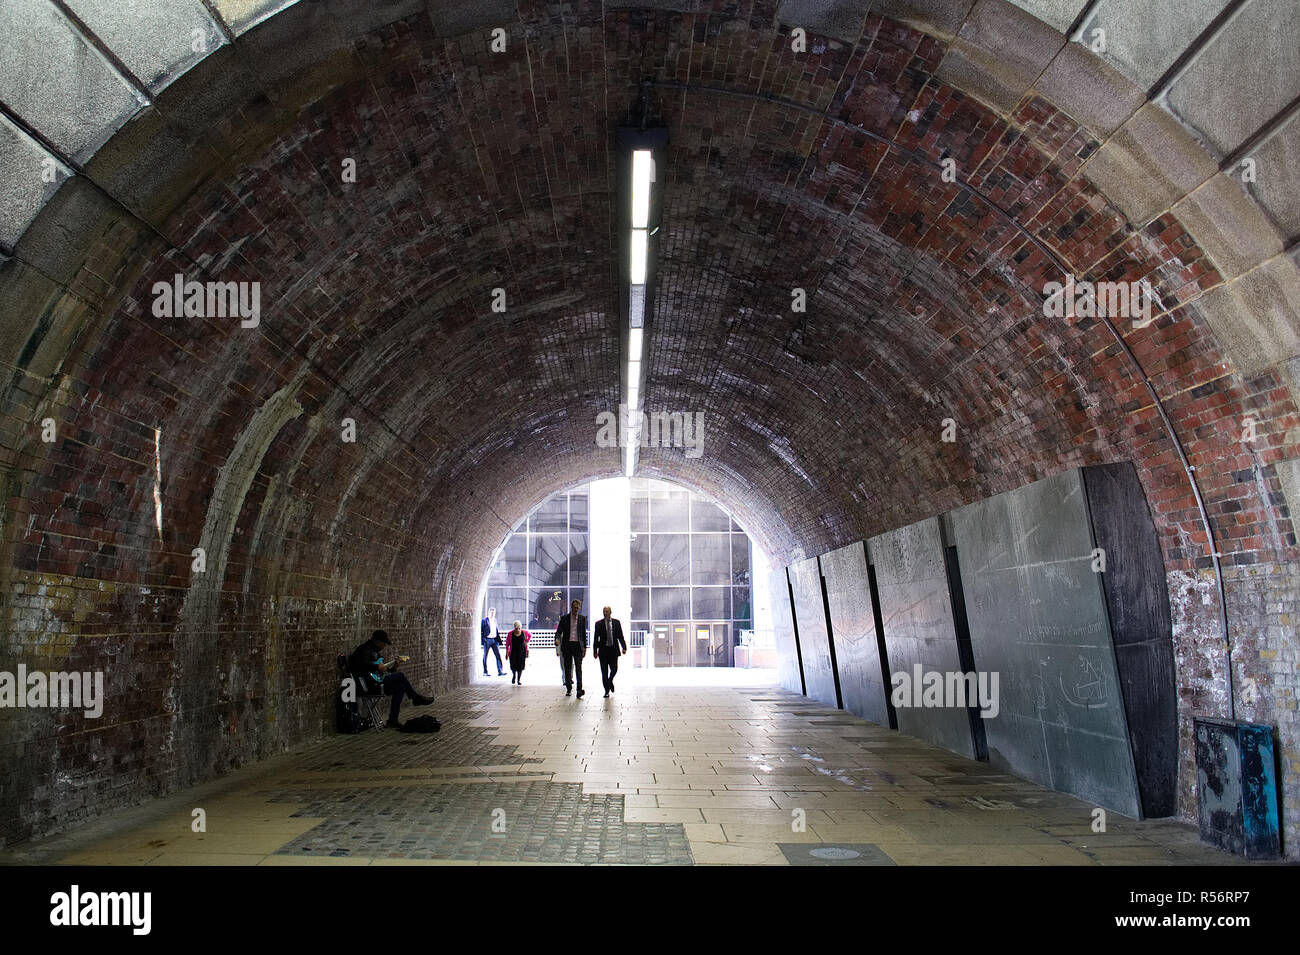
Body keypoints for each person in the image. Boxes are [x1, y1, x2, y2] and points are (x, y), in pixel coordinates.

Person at [348, 629, 434, 728]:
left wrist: (394, 667)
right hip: (368, 684)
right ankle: (415, 698)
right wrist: (377, 667)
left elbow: (384, 673)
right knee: (400, 676)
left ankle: (393, 720)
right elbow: (361, 664)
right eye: (384, 644)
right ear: (377, 641)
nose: (384, 646)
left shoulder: (376, 653)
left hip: (377, 682)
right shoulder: (364, 649)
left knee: (400, 687)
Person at [555, 599, 588, 698]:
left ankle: (579, 690)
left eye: (578, 608)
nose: (576, 610)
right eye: (574, 608)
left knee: (579, 669)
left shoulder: (582, 619)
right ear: (571, 607)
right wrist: (557, 639)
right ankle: (569, 688)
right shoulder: (565, 618)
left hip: (578, 646)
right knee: (567, 668)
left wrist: (585, 647)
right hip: (567, 645)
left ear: (580, 608)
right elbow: (559, 631)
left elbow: (583, 634)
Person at [593, 606, 627, 698]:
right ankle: (606, 691)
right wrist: (595, 651)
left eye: (607, 611)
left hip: (613, 650)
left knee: (614, 669)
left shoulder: (616, 623)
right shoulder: (598, 624)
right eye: (604, 611)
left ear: (610, 612)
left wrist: (624, 647)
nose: (605, 613)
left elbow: (620, 636)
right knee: (604, 672)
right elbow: (596, 638)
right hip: (603, 651)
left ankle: (610, 681)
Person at [481, 607, 504, 677]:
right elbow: (481, 631)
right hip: (487, 640)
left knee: (498, 655)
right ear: (489, 612)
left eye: (494, 612)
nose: (492, 613)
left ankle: (500, 671)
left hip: (494, 640)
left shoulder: (495, 620)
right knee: (485, 656)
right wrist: (483, 640)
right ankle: (485, 672)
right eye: (491, 612)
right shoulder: (484, 620)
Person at [505, 620, 530, 684]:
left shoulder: (524, 632)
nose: (518, 630)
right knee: (513, 665)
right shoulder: (510, 634)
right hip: (513, 652)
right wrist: (507, 653)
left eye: (519, 628)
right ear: (514, 628)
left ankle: (519, 680)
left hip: (522, 652)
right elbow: (507, 644)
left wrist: (527, 641)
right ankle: (514, 676)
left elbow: (529, 635)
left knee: (520, 666)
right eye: (516, 628)